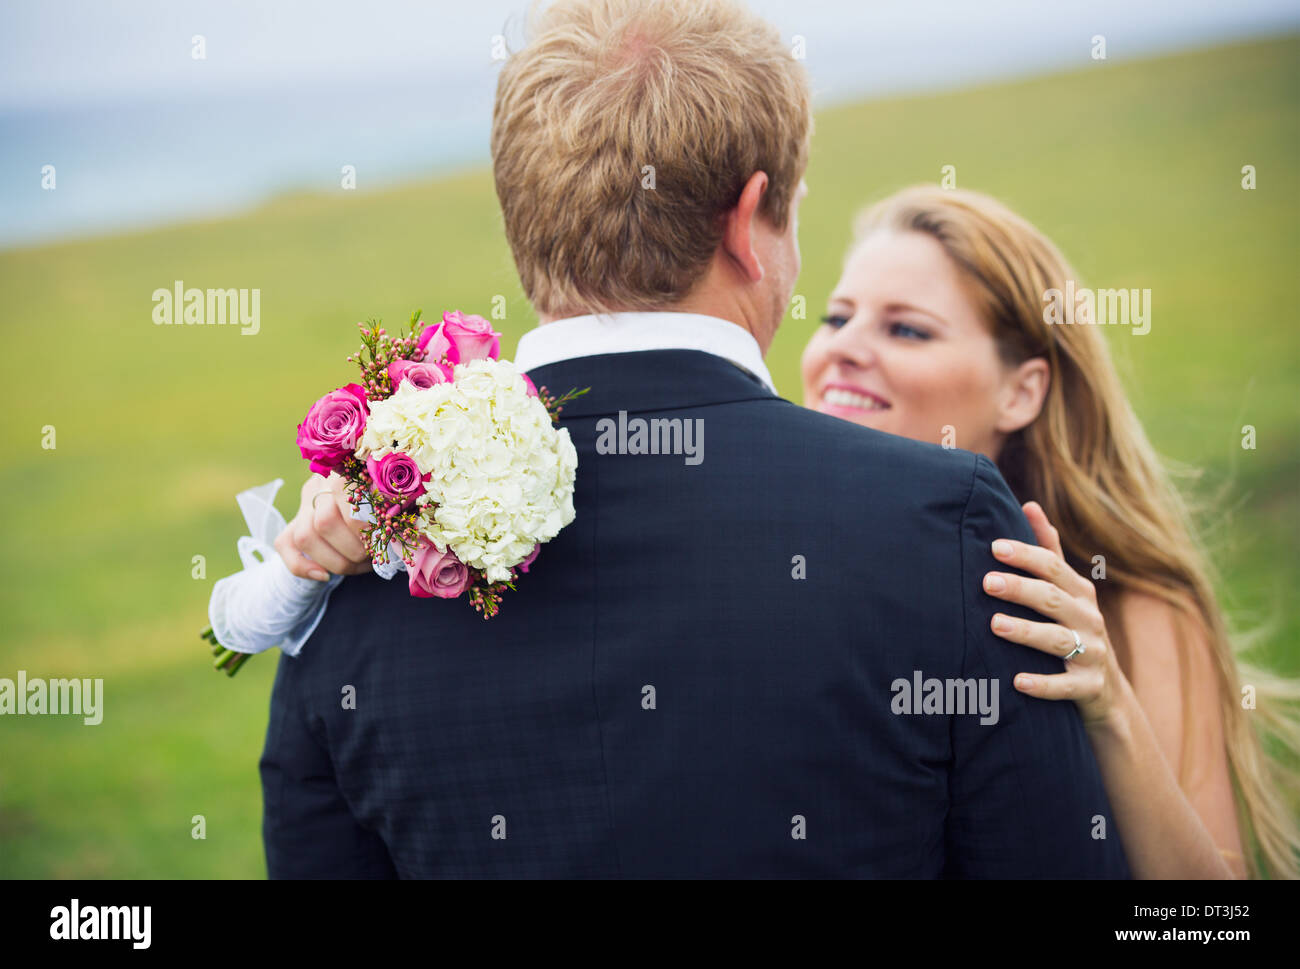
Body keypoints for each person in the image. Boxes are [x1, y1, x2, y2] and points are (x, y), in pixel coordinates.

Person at [239, 0, 1130, 878]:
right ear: (748, 223)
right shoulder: (949, 525)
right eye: (795, 211)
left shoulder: (362, 571)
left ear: (525, 219)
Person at [798, 185, 1300, 879]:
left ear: (1021, 391)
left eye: (906, 328)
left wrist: (1110, 703)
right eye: (835, 317)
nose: (843, 349)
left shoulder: (1133, 605)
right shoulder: (788, 570)